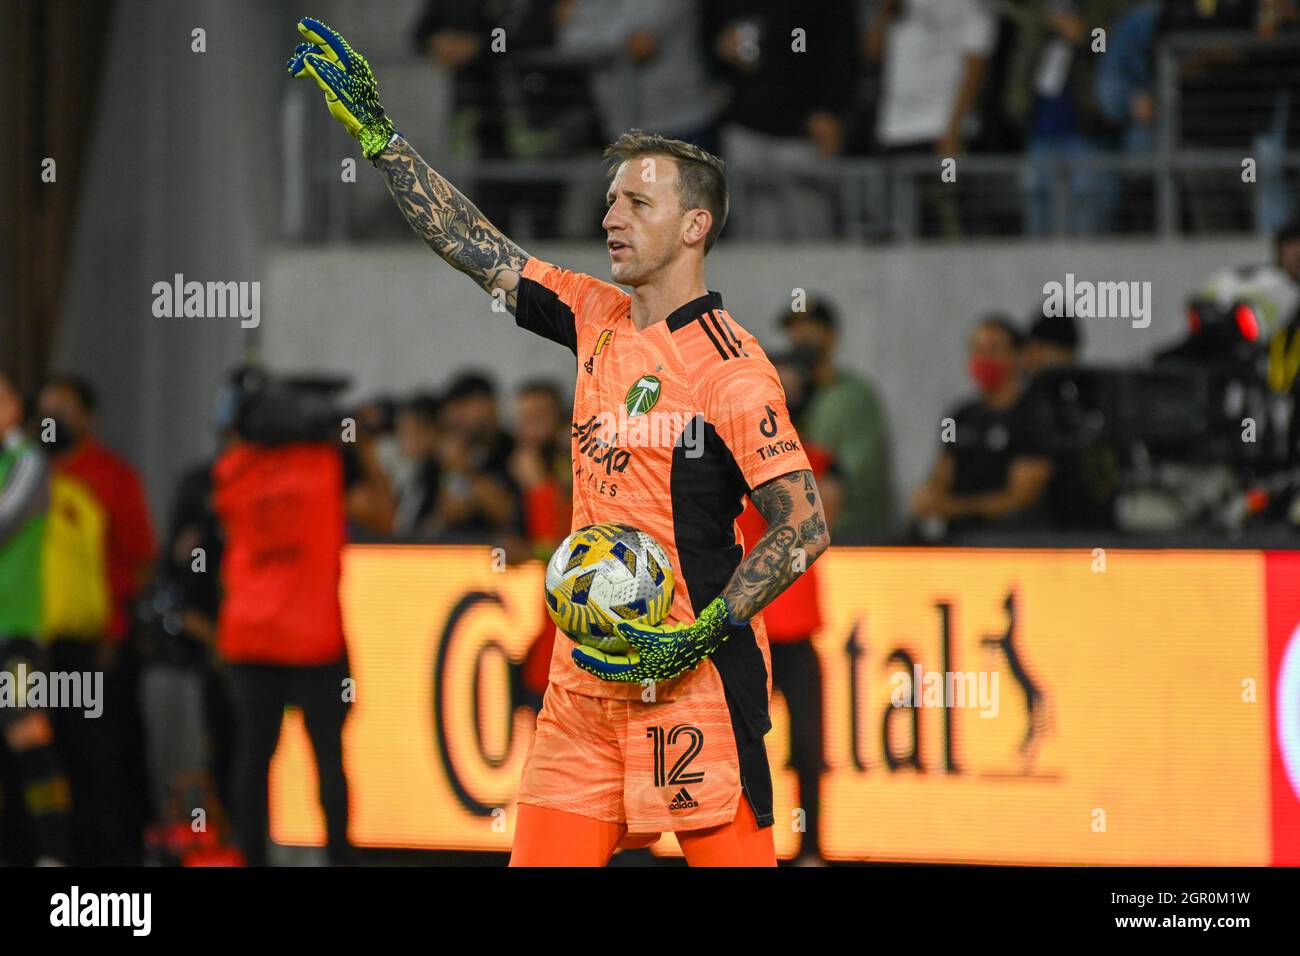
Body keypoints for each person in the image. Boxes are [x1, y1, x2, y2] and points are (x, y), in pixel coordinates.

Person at [288, 17, 831, 867]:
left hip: (692, 688)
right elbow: (479, 248)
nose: (610, 215)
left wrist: (701, 633)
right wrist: (384, 139)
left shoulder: (733, 368)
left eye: (637, 203)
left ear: (695, 227)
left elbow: (804, 527)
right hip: (584, 687)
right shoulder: (593, 315)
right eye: (610, 198)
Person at [211, 371, 353, 867]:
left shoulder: (232, 474)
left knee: (253, 759)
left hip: (251, 638)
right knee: (329, 759)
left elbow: (236, 440)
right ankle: (339, 857)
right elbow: (346, 435)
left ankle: (252, 859)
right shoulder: (324, 468)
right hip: (314, 639)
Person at [38, 373, 156, 863]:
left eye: (64, 408)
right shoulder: (23, 471)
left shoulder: (112, 476)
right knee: (38, 753)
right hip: (31, 643)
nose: (52, 419)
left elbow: (141, 561)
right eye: (45, 408)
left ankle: (106, 856)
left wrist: (112, 629)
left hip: (95, 645)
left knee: (98, 755)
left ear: (88, 416)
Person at [0, 368, 73, 865]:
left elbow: (5, 522)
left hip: (17, 632)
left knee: (27, 733)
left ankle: (53, 857)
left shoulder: (29, 461)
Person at [911, 316, 1052, 537]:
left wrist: (955, 508)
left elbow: (1021, 498)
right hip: (956, 540)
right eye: (977, 350)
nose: (983, 359)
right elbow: (941, 474)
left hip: (1011, 541)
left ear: (1019, 356)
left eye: (993, 350)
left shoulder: (1035, 417)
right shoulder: (957, 417)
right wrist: (928, 498)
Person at [781, 297, 893, 540]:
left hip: (850, 529)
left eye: (810, 328)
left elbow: (855, 473)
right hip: (799, 527)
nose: (801, 337)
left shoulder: (855, 394)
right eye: (795, 330)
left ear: (831, 335)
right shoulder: (788, 394)